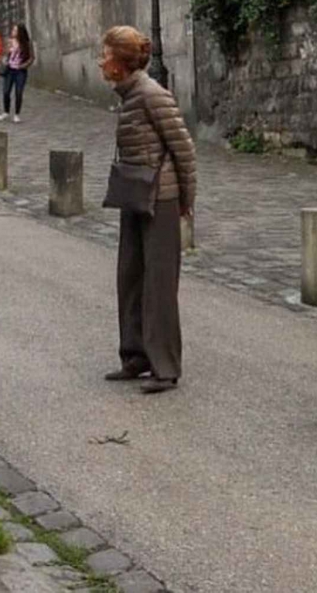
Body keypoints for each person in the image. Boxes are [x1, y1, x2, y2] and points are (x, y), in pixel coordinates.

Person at [101, 25, 197, 394]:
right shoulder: (128, 94)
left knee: (159, 284)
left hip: (161, 198)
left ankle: (165, 366)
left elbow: (183, 149)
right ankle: (136, 355)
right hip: (135, 194)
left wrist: (186, 200)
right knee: (130, 277)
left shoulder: (151, 94)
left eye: (106, 54)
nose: (101, 61)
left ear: (120, 61)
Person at [0, 23, 35, 123]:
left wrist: (23, 66)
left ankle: (17, 114)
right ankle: (6, 112)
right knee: (6, 91)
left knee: (18, 93)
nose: (13, 32)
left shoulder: (27, 44)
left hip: (20, 71)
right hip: (10, 70)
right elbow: (4, 54)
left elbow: (31, 58)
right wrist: (5, 58)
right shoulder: (10, 41)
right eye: (13, 30)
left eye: (15, 30)